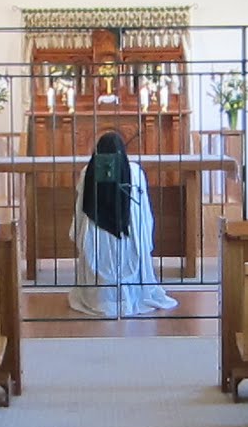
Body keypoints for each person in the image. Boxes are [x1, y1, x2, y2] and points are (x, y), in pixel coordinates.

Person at [67, 131, 178, 317]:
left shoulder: (88, 171)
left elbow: (81, 205)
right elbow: (143, 207)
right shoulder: (134, 171)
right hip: (129, 231)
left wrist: (77, 230)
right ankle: (130, 297)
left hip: (96, 231)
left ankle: (98, 299)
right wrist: (145, 231)